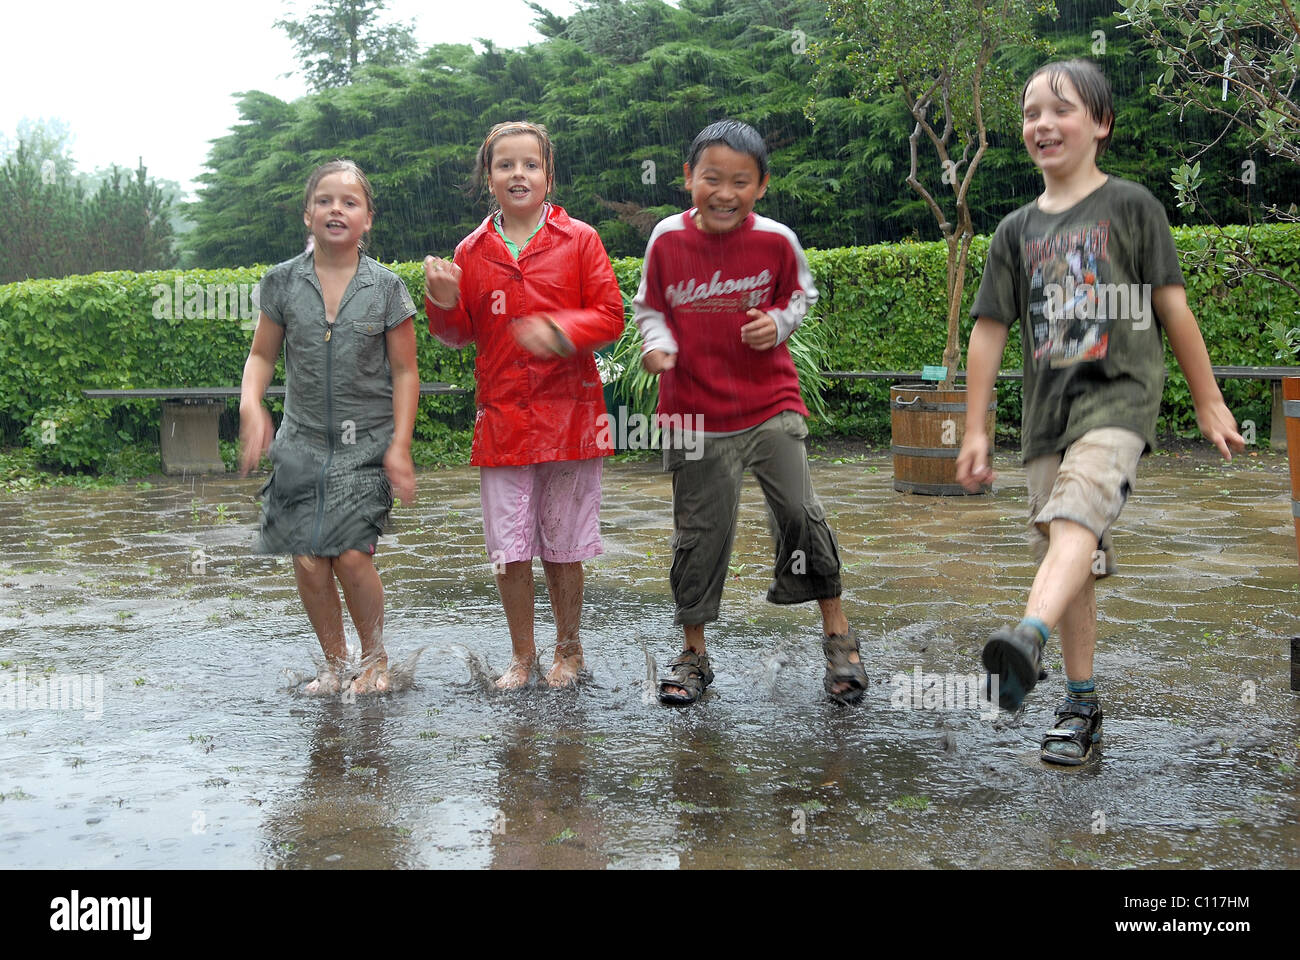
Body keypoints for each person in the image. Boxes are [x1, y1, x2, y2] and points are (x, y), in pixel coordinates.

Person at [957, 59, 1245, 763]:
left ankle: (1026, 638)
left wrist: (1208, 401)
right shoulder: (1014, 231)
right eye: (1030, 113)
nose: (1043, 124)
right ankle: (1080, 704)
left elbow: (1171, 304)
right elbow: (989, 331)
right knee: (1068, 554)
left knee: (1075, 514)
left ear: (1101, 124)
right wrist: (974, 427)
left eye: (1061, 110)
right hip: (1047, 414)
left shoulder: (1132, 207)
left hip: (1119, 400)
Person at [633, 119, 865, 706]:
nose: (725, 192)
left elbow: (799, 294)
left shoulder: (776, 240)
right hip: (690, 413)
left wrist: (779, 323)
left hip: (770, 403)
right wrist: (655, 344)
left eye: (741, 181)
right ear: (688, 178)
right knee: (699, 536)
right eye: (712, 177)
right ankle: (693, 654)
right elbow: (651, 305)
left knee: (800, 512)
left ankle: (839, 640)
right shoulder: (666, 239)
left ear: (761, 185)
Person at [424, 121, 624, 689]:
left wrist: (561, 329)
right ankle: (522, 657)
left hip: (571, 416)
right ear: (488, 178)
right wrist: (442, 303)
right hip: (505, 419)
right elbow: (459, 334)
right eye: (505, 165)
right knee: (509, 549)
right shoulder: (471, 251)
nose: (519, 174)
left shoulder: (579, 239)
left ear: (548, 175)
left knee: (563, 544)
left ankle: (569, 650)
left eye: (530, 165)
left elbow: (610, 316)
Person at [240, 159, 419, 697]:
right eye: (324, 200)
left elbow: (406, 371)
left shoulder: (387, 289)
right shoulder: (282, 282)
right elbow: (260, 357)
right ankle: (336, 665)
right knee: (308, 560)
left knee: (348, 554)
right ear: (307, 214)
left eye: (349, 202)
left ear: (368, 220)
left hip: (366, 445)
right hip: (301, 443)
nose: (335, 209)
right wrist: (252, 404)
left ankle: (376, 659)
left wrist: (401, 446)